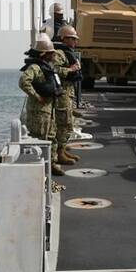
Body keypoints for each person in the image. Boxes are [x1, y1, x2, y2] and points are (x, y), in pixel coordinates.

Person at [18, 33, 65, 176]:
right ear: (44, 54)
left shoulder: (46, 68)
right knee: (39, 138)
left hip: (48, 109)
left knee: (50, 137)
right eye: (51, 53)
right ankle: (38, 169)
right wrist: (37, 96)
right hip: (38, 111)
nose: (53, 56)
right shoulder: (35, 67)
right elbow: (23, 82)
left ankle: (51, 163)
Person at [51, 24, 83, 168]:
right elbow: (53, 69)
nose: (75, 42)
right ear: (64, 39)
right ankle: (59, 152)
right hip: (62, 94)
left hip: (68, 93)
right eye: (72, 39)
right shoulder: (59, 54)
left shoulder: (68, 53)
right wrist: (70, 69)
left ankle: (62, 149)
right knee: (63, 123)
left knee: (68, 123)